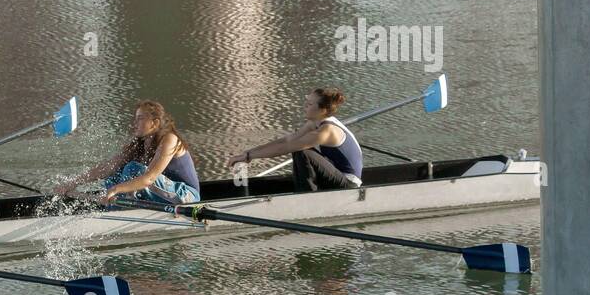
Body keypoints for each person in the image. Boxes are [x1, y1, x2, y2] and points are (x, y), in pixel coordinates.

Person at [54, 100, 200, 205]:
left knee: (133, 170)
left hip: (188, 198)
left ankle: (122, 204)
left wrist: (116, 190)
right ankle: (117, 205)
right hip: (163, 193)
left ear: (155, 123)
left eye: (140, 119)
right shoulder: (139, 144)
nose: (134, 123)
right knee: (115, 174)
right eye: (134, 119)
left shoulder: (170, 139)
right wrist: (72, 183)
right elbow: (107, 167)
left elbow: (149, 179)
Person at [226, 87, 362, 191]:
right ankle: (306, 190)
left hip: (349, 184)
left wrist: (251, 155)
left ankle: (307, 196)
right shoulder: (314, 123)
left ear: (323, 110)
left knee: (302, 151)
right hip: (334, 175)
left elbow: (287, 147)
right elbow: (286, 141)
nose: (305, 107)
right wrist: (248, 153)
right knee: (299, 148)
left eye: (309, 105)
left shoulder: (327, 131)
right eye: (306, 102)